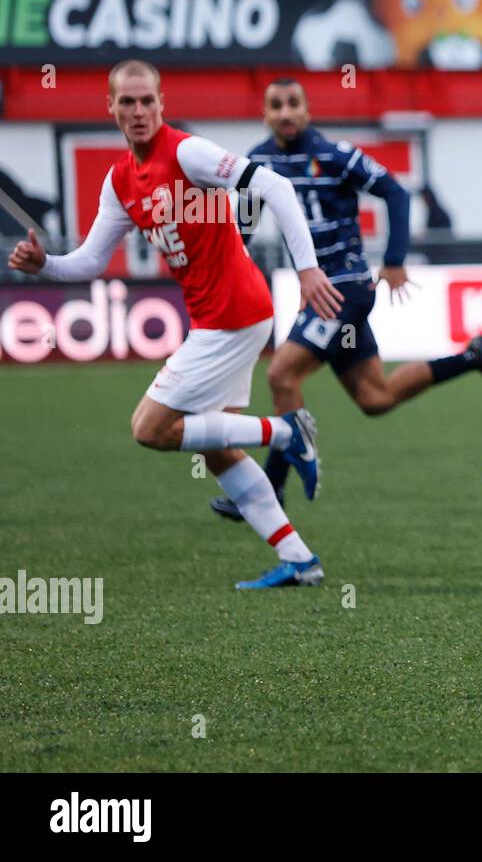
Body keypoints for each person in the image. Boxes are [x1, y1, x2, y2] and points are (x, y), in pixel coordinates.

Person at [7, 59, 344, 590]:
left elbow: (277, 187)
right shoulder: (121, 181)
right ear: (111, 108)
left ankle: (285, 431)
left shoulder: (187, 152)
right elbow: (91, 262)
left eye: (147, 101)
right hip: (218, 317)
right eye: (127, 102)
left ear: (162, 103)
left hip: (232, 315)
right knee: (214, 447)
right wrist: (43, 265)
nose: (139, 111)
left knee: (149, 428)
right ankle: (301, 561)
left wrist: (307, 270)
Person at [209, 77, 482, 523]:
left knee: (282, 375)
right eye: (275, 105)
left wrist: (394, 259)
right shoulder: (257, 164)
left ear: (307, 110)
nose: (284, 112)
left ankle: (271, 492)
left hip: (345, 288)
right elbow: (241, 230)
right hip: (319, 292)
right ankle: (472, 357)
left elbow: (394, 192)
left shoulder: (337, 156)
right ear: (264, 113)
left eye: (292, 103)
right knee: (376, 397)